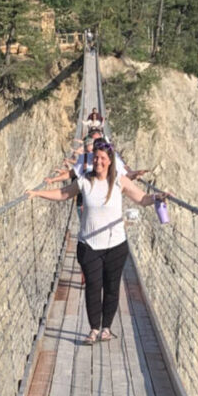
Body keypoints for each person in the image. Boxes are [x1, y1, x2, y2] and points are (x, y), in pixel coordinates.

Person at [28, 139, 167, 345]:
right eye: (95, 157)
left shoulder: (120, 180)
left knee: (112, 288)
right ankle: (94, 329)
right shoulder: (85, 180)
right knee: (93, 286)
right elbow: (63, 193)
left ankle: (106, 329)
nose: (98, 161)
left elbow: (142, 198)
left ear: (110, 160)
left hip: (116, 245)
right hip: (89, 245)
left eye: (102, 158)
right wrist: (38, 193)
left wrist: (157, 197)